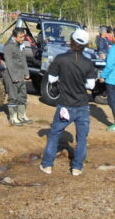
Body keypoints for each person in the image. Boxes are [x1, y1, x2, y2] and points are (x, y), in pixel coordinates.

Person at [40, 28, 98, 176]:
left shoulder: (60, 58)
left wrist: (63, 79)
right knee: (82, 139)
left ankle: (47, 166)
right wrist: (80, 82)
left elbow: (52, 79)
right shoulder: (88, 63)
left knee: (54, 134)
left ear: (71, 41)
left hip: (65, 105)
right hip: (83, 106)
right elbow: (91, 86)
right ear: (85, 45)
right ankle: (77, 168)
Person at [3, 27, 32, 126]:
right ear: (14, 37)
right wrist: (14, 76)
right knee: (13, 97)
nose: (22, 39)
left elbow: (23, 60)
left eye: (23, 36)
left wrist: (26, 72)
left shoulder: (21, 45)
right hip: (12, 75)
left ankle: (22, 115)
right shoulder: (8, 47)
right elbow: (9, 63)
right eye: (20, 37)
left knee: (22, 95)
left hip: (20, 74)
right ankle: (13, 117)